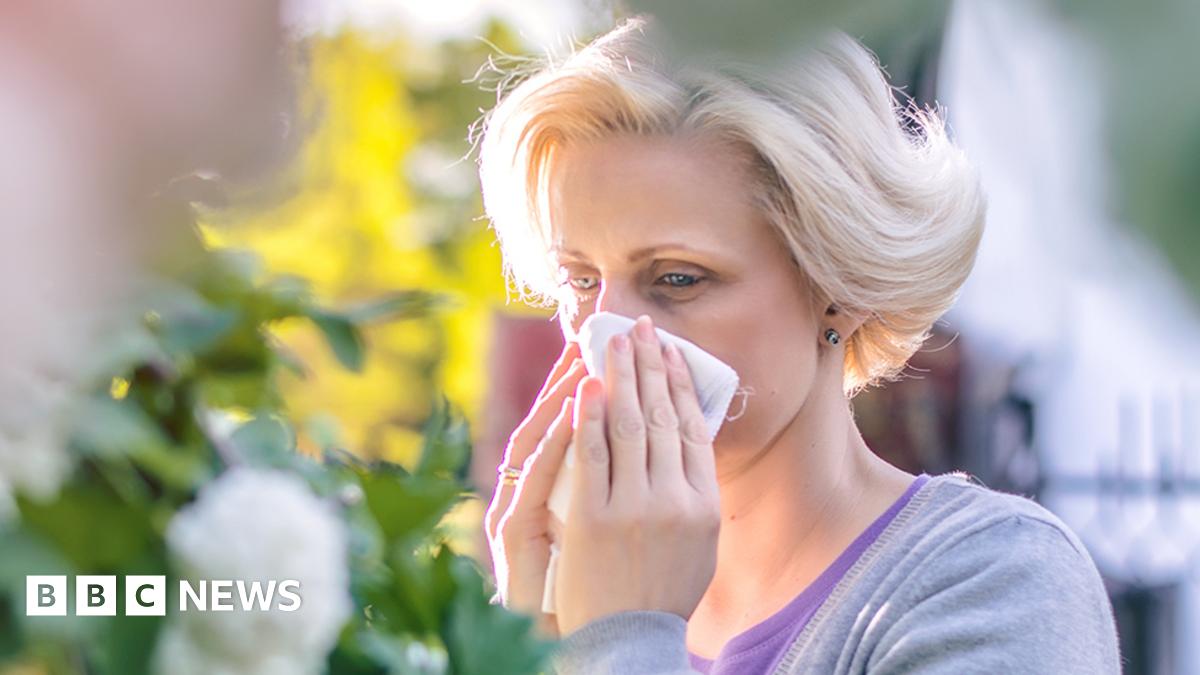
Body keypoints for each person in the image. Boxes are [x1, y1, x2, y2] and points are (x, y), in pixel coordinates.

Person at [477, 16, 1121, 674]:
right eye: (580, 280)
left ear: (838, 282)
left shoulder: (995, 581)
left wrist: (622, 637)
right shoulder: (556, 599)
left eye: (677, 278)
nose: (604, 331)